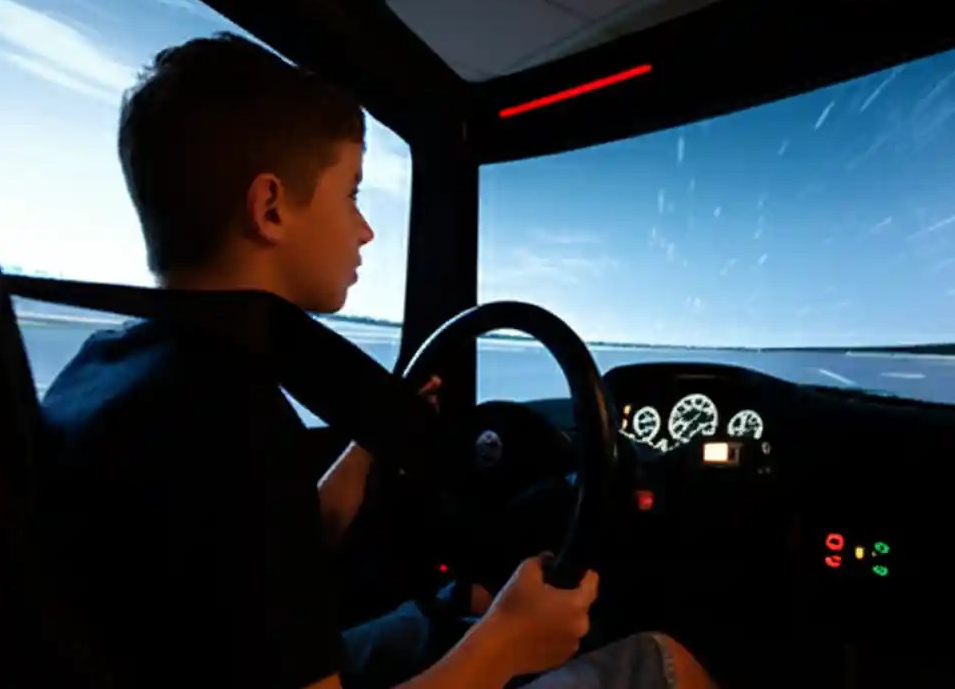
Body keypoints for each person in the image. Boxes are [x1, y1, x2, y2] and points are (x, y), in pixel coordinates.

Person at [38, 33, 717, 689]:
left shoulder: (115, 369)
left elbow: (251, 554)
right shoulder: (226, 416)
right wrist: (509, 642)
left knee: (468, 598)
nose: (364, 229)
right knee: (660, 660)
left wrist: (368, 443)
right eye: (352, 193)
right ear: (270, 207)